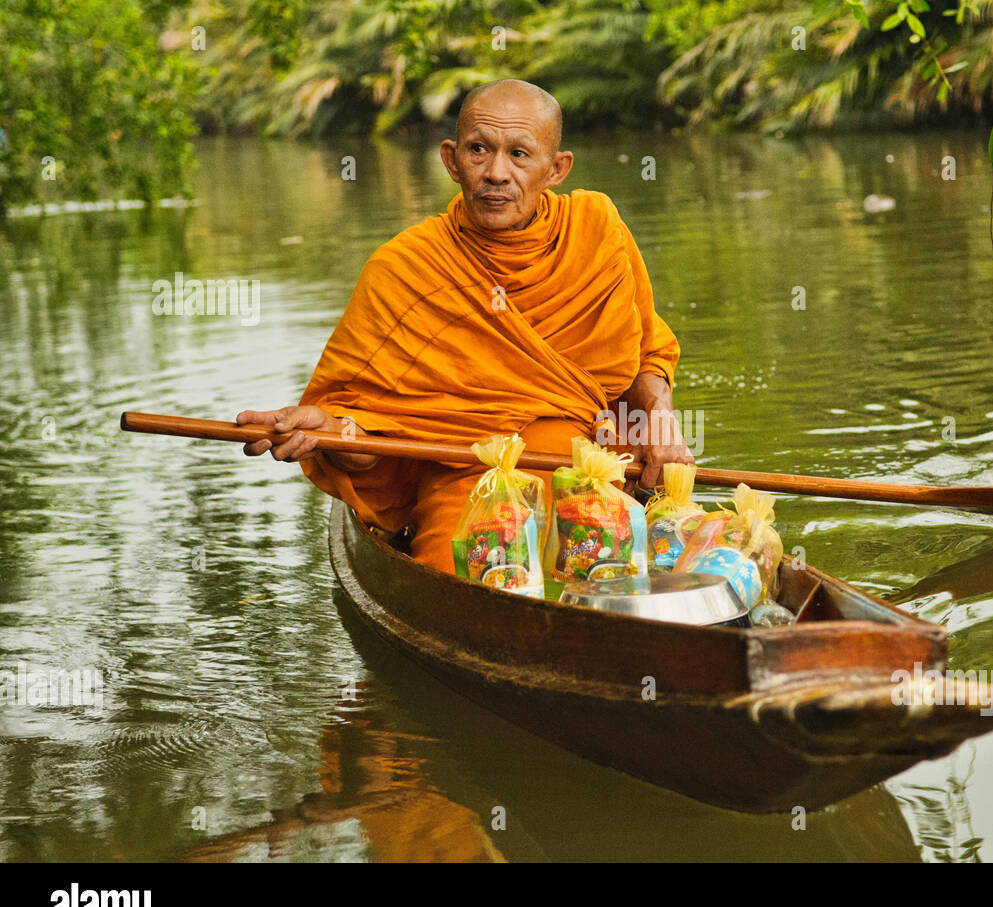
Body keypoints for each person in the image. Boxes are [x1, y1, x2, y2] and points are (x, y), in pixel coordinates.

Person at [237, 79, 692, 572]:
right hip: (469, 478)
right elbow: (370, 438)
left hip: (595, 464)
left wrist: (661, 420)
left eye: (520, 154)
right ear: (451, 160)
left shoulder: (596, 230)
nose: (497, 173)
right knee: (461, 574)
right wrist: (334, 432)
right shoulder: (408, 268)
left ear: (556, 169)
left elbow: (648, 352)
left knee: (676, 560)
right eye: (479, 150)